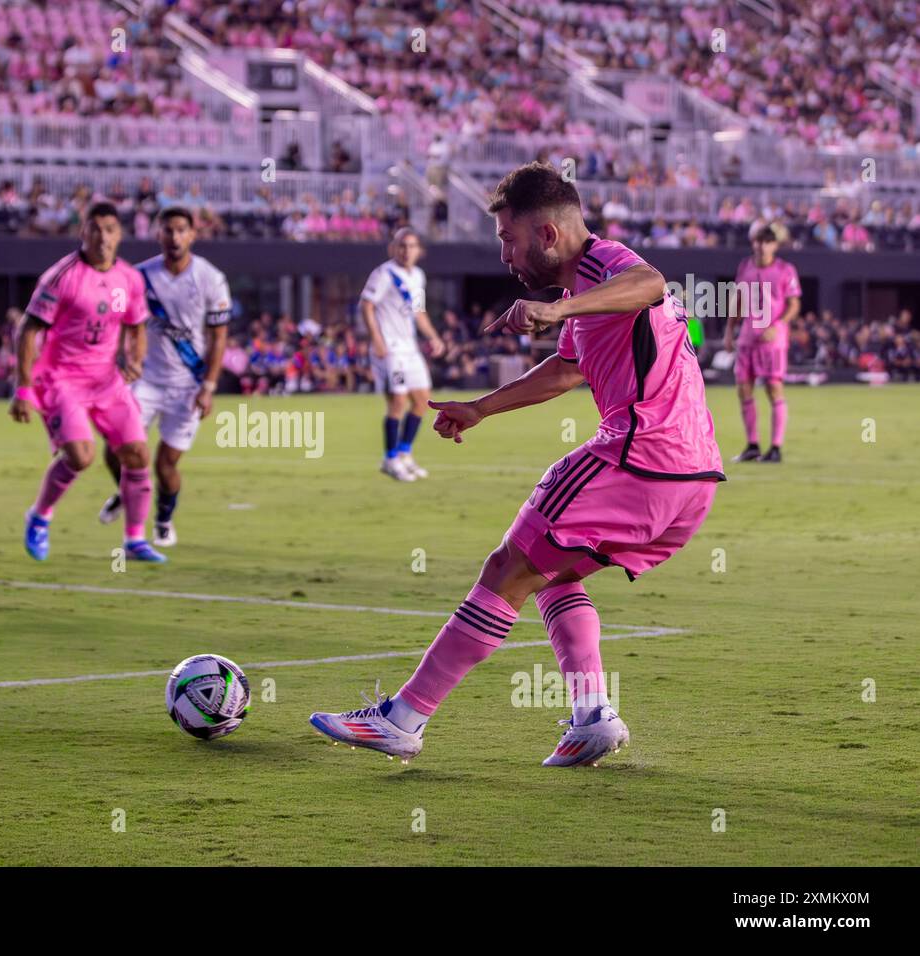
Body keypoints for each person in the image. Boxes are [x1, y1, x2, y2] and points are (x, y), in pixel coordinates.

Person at [309, 162, 724, 767]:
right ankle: (593, 716)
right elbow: (566, 369)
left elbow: (651, 284)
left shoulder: (607, 265)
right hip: (690, 479)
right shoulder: (585, 291)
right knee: (552, 574)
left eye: (509, 238)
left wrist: (557, 310)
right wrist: (481, 408)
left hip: (639, 459)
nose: (504, 253)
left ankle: (404, 718)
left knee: (507, 564)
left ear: (548, 234)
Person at [10, 202, 167, 564]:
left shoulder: (129, 278)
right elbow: (28, 329)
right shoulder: (62, 276)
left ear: (120, 234)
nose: (102, 237)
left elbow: (136, 325)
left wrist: (135, 359)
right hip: (60, 379)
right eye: (94, 229)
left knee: (138, 453)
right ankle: (39, 516)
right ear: (83, 232)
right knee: (81, 456)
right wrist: (22, 388)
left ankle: (134, 540)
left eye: (110, 229)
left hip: (105, 380)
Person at [98, 207, 231, 547]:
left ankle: (163, 518)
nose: (174, 237)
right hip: (144, 381)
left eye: (180, 231)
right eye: (168, 231)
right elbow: (117, 324)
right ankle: (127, 495)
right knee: (115, 450)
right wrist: (118, 363)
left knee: (165, 465)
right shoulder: (138, 277)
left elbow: (218, 337)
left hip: (188, 385)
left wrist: (209, 387)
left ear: (192, 235)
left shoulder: (210, 278)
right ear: (158, 234)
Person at [361, 227, 446, 480]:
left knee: (422, 400)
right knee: (397, 401)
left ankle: (405, 453)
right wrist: (376, 338)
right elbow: (367, 305)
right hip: (389, 348)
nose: (406, 251)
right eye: (402, 246)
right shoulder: (384, 274)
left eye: (411, 246)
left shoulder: (418, 276)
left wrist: (433, 337)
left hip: (410, 347)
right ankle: (390, 459)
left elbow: (418, 312)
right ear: (393, 248)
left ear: (419, 251)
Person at [724, 225, 801, 463]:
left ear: (774, 245)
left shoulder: (785, 270)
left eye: (767, 241)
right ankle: (753, 445)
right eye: (758, 241)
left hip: (772, 340)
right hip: (748, 336)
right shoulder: (745, 267)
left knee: (773, 387)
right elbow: (738, 300)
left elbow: (794, 305)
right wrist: (729, 330)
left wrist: (778, 326)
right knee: (743, 388)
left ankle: (776, 447)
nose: (761, 245)